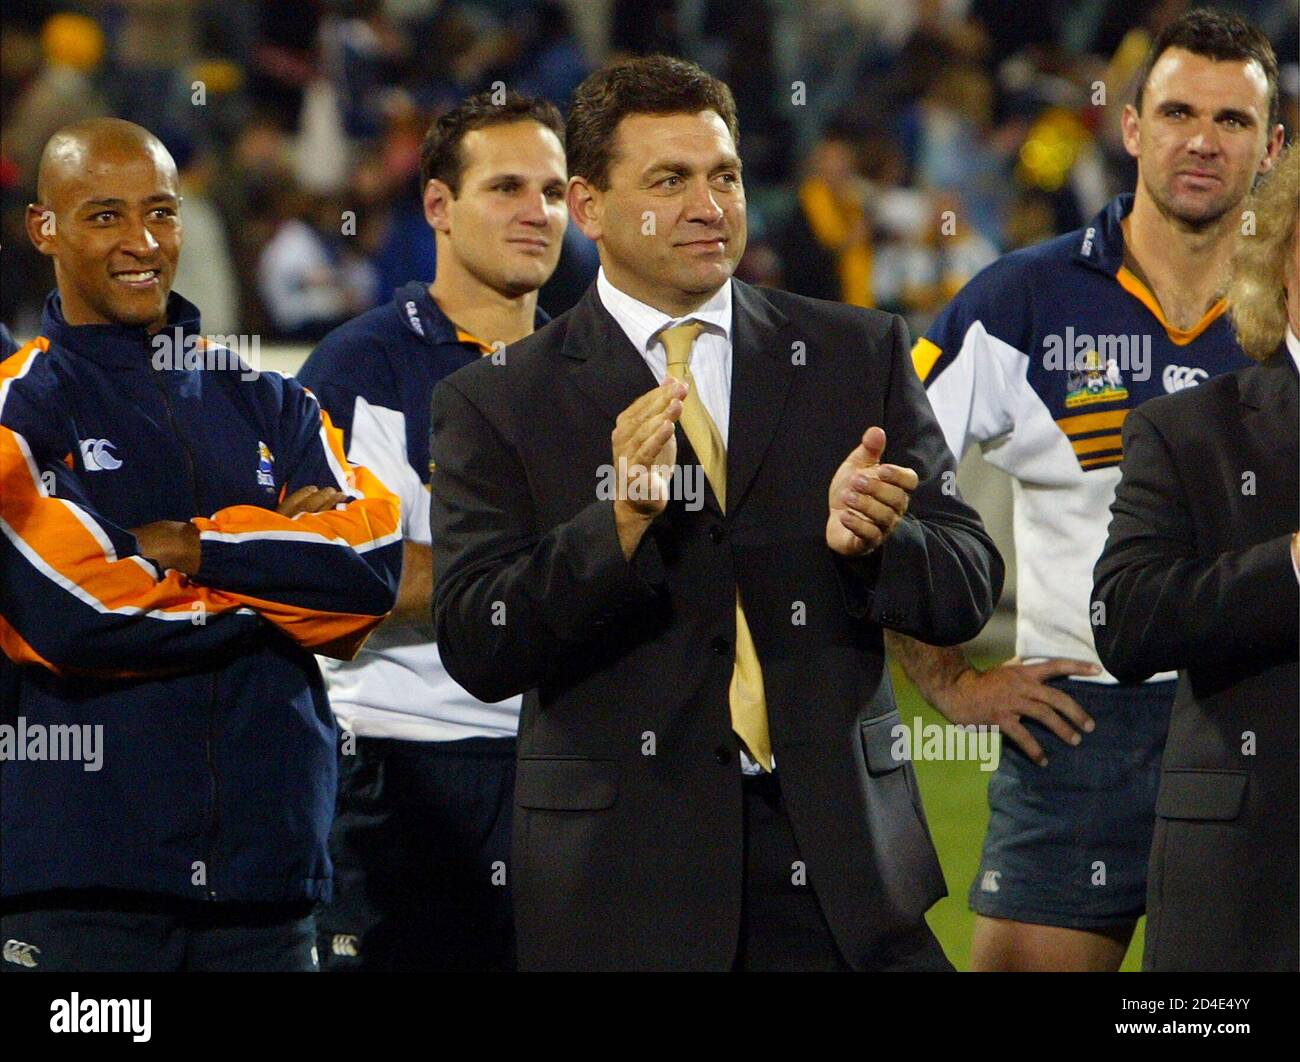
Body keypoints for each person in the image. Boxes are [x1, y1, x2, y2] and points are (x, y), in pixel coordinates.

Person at [428, 55, 1003, 971]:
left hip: (847, 880)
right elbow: (477, 641)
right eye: (670, 180)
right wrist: (612, 527)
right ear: (587, 207)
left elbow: (968, 587)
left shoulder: (858, 351)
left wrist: (884, 543)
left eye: (724, 175)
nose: (709, 205)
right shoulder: (497, 401)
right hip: (623, 896)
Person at [886, 8, 1285, 971]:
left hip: (1266, 720)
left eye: (1233, 122)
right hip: (1081, 723)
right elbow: (876, 485)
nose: (1203, 141)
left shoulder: (1293, 309)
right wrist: (948, 683)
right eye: (1179, 111)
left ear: (1272, 148)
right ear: (1133, 127)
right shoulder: (1021, 300)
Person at [0, 118, 401, 972]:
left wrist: (192, 551)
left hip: (270, 890)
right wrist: (281, 578)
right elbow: (74, 609)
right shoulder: (17, 407)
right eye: (104, 215)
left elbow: (369, 573)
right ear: (45, 229)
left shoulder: (273, 400)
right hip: (84, 891)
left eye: (162, 213)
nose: (142, 242)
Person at [297, 90, 568, 972]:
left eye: (556, 192)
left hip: (565, 768)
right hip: (394, 770)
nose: (538, 212)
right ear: (439, 208)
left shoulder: (598, 373)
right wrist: (561, 571)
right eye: (508, 188)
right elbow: (340, 587)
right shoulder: (358, 365)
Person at [1092, 144, 1299, 972]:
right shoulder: (1187, 431)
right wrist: (1291, 566)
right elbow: (1126, 620)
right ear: (1277, 264)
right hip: (1249, 889)